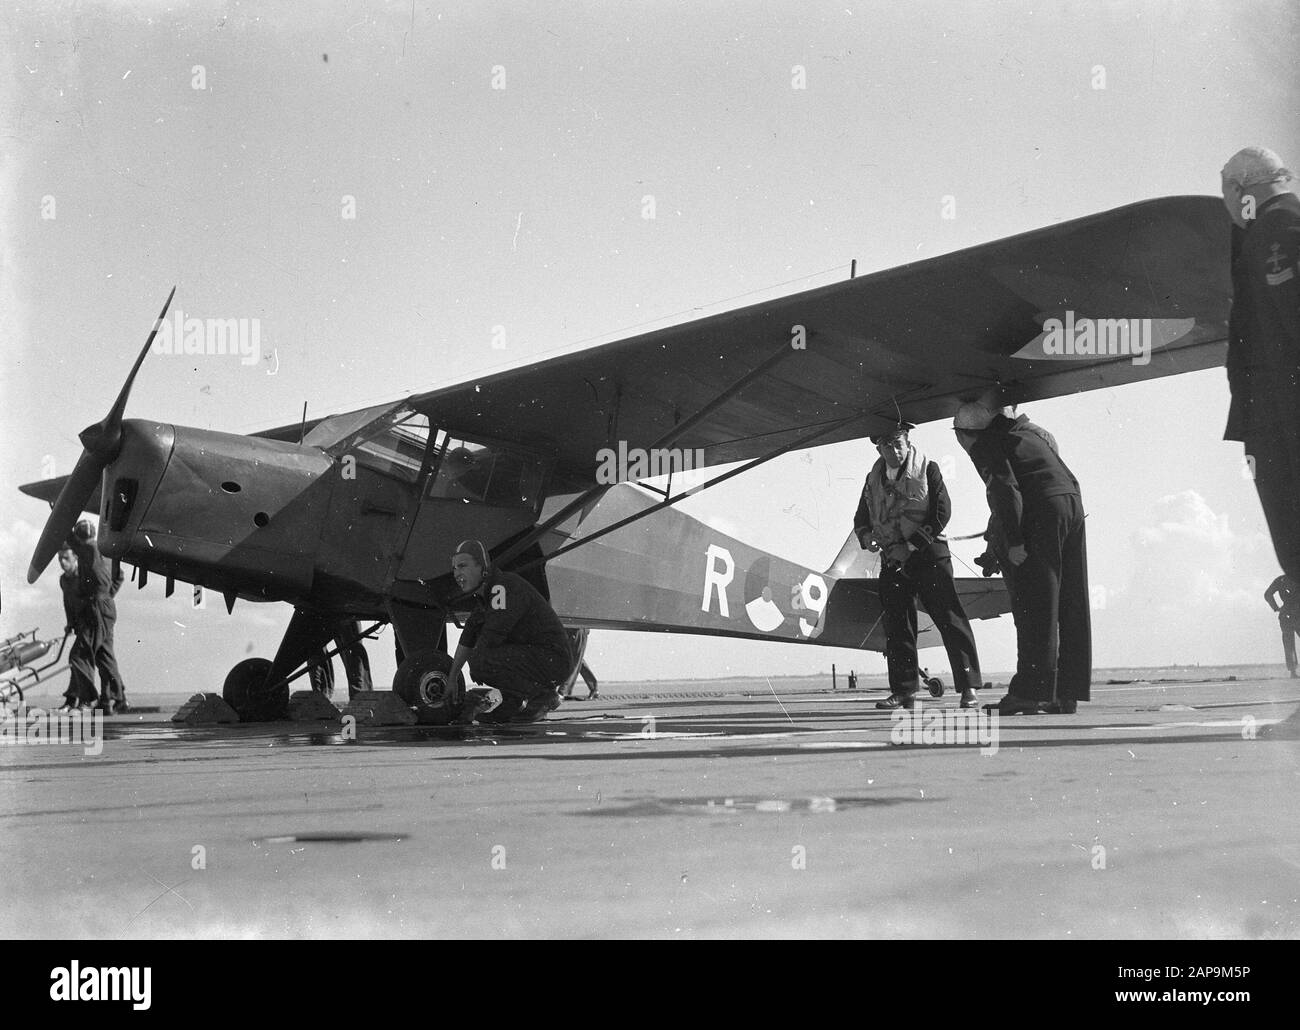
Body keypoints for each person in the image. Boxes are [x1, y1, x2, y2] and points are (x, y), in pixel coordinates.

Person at [954, 402, 1090, 715]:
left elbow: (1005, 491)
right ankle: (1064, 693)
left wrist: (1014, 543)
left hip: (1042, 514)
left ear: (965, 434)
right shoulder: (1026, 436)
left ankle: (1030, 693)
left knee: (1034, 606)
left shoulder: (985, 444)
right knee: (1070, 601)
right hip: (1070, 505)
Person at [853, 421, 983, 710]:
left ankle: (969, 687)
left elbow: (941, 511)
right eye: (887, 445)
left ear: (908, 442)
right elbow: (860, 519)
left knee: (950, 619)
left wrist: (910, 546)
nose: (894, 450)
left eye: (899, 443)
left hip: (928, 557)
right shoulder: (871, 479)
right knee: (897, 626)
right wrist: (867, 537)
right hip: (892, 561)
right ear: (879, 447)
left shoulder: (929, 468)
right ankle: (903, 691)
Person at [1221, 147, 1300, 581]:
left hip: (1282, 411)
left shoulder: (1277, 229)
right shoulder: (1280, 224)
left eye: (1228, 197)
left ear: (1239, 189)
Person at [446, 539, 572, 724]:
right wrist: (452, 678)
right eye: (455, 568)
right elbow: (467, 638)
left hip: (552, 659)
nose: (457, 573)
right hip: (540, 658)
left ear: (483, 567)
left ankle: (543, 697)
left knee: (481, 660)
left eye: (463, 566)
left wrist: (473, 665)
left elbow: (493, 635)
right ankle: (513, 702)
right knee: (481, 658)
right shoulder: (487, 594)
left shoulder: (502, 587)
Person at [68, 519, 128, 714]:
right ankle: (115, 699)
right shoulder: (106, 552)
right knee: (104, 655)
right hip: (106, 606)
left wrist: (59, 514)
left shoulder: (89, 549)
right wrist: (108, 596)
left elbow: (71, 540)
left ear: (80, 536)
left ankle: (88, 699)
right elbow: (119, 576)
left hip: (97, 608)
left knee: (79, 655)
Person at [56, 546, 99, 712]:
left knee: (77, 658)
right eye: (60, 559)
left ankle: (88, 700)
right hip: (79, 624)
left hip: (91, 623)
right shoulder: (64, 580)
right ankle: (72, 699)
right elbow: (67, 603)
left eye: (66, 558)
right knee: (77, 659)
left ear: (75, 557)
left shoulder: (83, 577)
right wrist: (69, 623)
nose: (62, 562)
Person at [1265, 574, 1300, 677]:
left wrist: (1276, 607)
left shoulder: (1281, 580)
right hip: (1297, 614)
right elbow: (1267, 594)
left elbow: (1267, 594)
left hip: (1286, 614)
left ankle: (1293, 672)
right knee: (1288, 643)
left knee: (1288, 643)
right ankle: (1293, 672)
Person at [559, 627, 599, 699]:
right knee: (576, 659)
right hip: (569, 628)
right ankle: (594, 688)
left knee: (575, 659)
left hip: (577, 628)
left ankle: (563, 691)